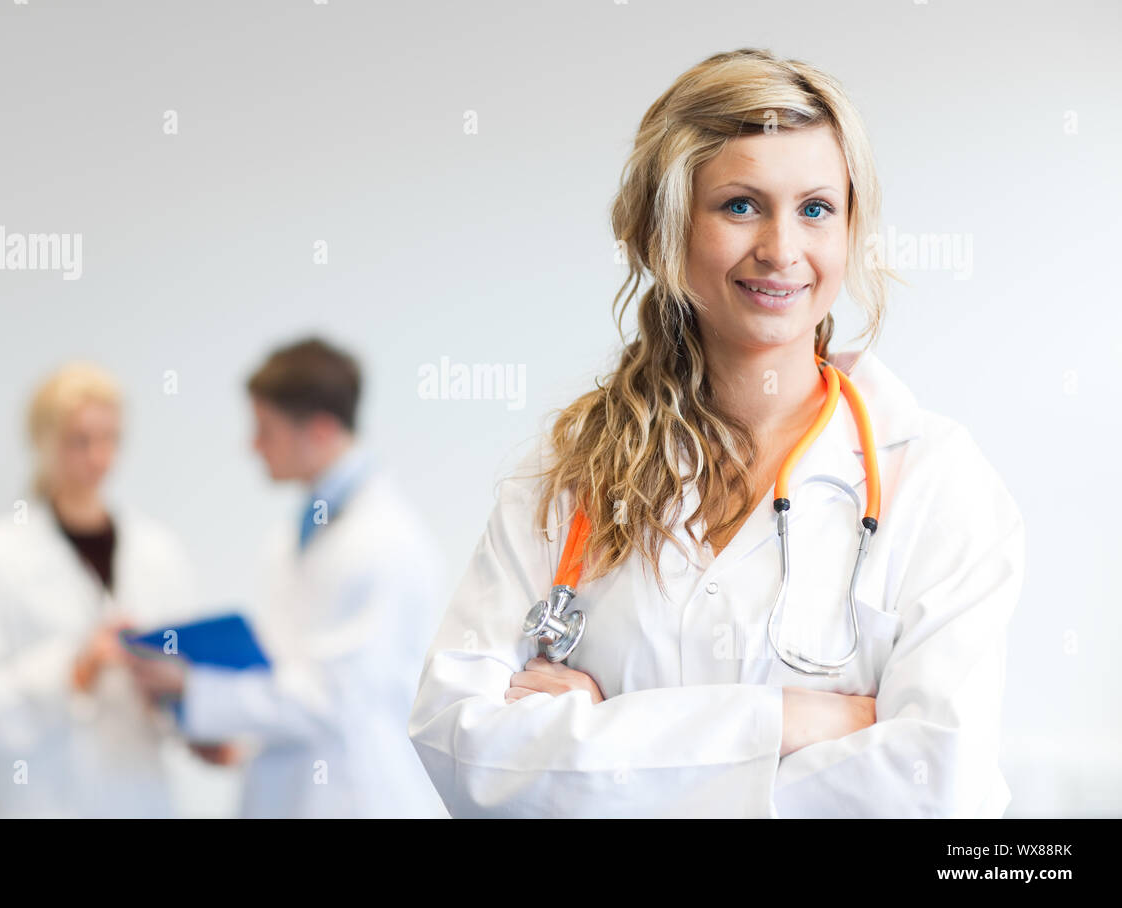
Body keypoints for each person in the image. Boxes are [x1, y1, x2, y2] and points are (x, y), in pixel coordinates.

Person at [408, 47, 1026, 818]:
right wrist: (787, 721)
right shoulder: (568, 475)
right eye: (740, 205)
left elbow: (940, 785)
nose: (781, 248)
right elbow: (462, 748)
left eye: (816, 208)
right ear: (664, 231)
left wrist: (601, 740)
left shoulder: (935, 478)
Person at [128, 337, 449, 818]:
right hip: (296, 789)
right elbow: (291, 672)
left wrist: (194, 690)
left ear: (318, 429)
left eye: (265, 430)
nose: (252, 446)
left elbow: (334, 700)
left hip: (355, 796)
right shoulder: (300, 532)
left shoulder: (385, 541)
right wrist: (237, 740)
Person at [0, 362, 200, 817]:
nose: (98, 457)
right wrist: (77, 667)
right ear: (43, 443)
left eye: (110, 439)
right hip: (42, 799)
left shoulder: (158, 550)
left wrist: (170, 687)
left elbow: (189, 687)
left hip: (136, 795)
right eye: (79, 441)